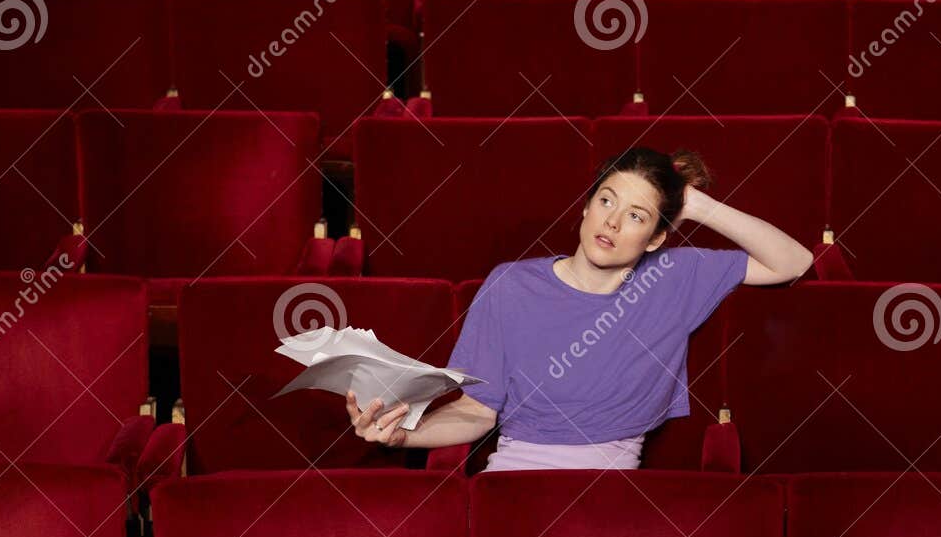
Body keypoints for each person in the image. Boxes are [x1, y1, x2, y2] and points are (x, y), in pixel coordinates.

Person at [346, 147, 813, 470]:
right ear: (586, 208)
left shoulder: (676, 276)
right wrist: (403, 435)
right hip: (512, 479)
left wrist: (693, 204)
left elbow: (794, 262)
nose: (611, 220)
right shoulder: (510, 285)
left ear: (656, 238)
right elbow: (477, 413)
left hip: (610, 496)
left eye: (636, 215)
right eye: (606, 200)